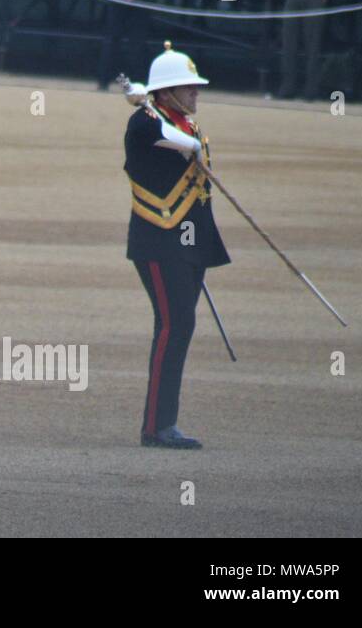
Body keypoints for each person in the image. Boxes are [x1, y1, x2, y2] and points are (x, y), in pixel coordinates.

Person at [123, 42, 230, 449]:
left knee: (177, 326)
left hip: (189, 241)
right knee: (176, 324)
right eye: (187, 87)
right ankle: (156, 426)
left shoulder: (185, 125)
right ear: (165, 92)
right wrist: (146, 104)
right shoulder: (145, 122)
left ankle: (161, 422)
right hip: (158, 239)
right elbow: (167, 139)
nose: (195, 93)